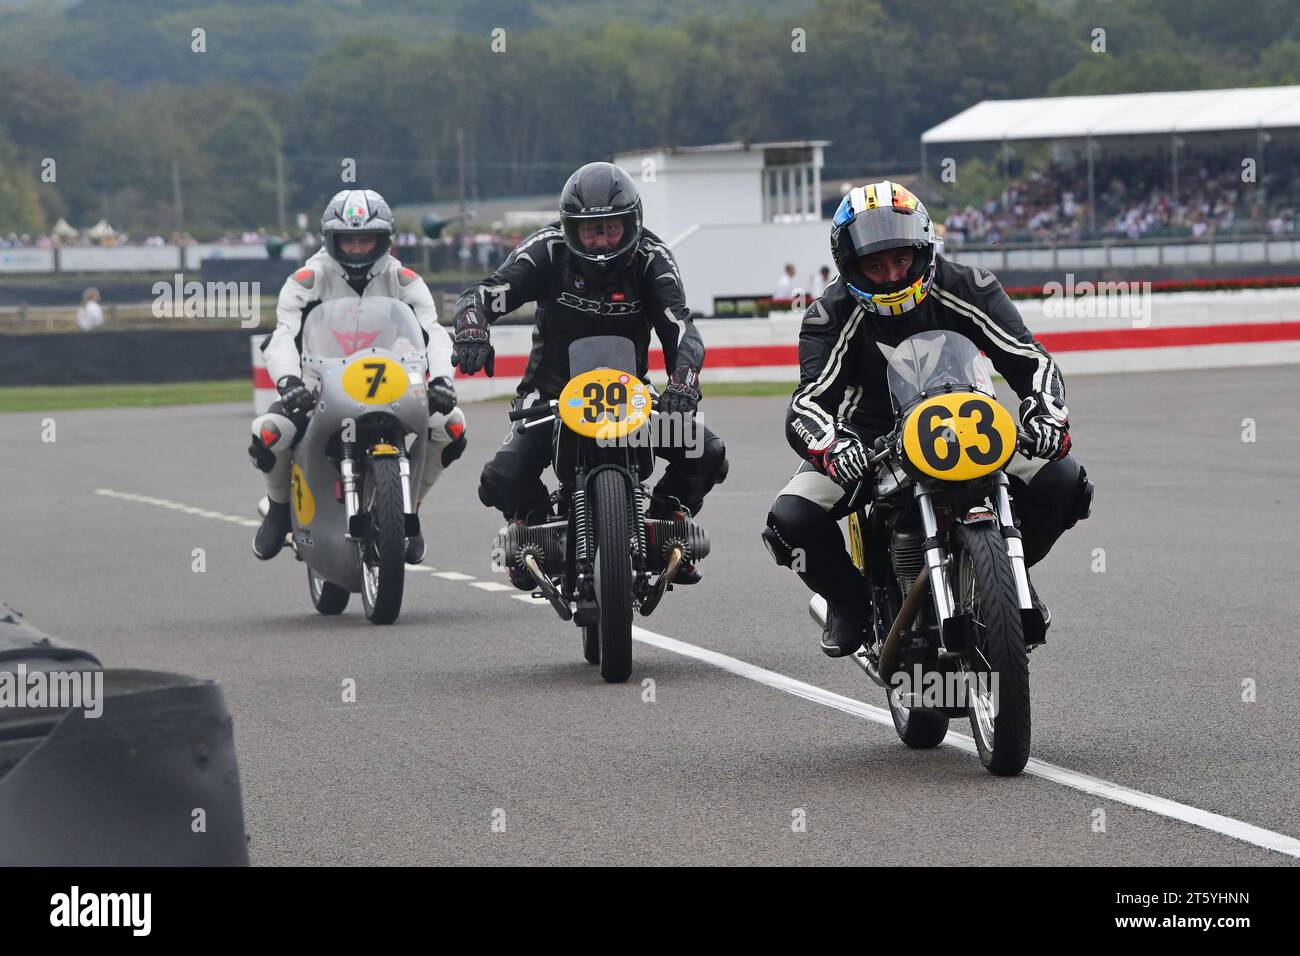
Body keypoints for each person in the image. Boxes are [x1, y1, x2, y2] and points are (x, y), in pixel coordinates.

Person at [762, 180, 1093, 657]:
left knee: (1067, 482)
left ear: (923, 251)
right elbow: (807, 402)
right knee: (790, 517)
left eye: (901, 259)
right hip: (871, 442)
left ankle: (1004, 575)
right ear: (850, 267)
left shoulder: (971, 287)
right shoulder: (828, 316)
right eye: (875, 266)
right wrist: (833, 446)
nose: (892, 275)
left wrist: (1045, 412)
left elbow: (1030, 359)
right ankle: (849, 602)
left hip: (970, 421)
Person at [451, 161, 728, 587]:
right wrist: (473, 325)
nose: (601, 241)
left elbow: (681, 327)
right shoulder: (545, 251)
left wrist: (683, 380)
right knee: (499, 480)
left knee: (707, 451)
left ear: (631, 223)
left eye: (611, 229)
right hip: (549, 398)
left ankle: (667, 519)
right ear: (571, 230)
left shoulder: (653, 260)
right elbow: (483, 294)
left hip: (631, 399)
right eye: (591, 231)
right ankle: (535, 529)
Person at [249, 188, 467, 564]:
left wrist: (442, 380)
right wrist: (289, 383)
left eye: (366, 239)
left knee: (452, 426)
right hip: (318, 385)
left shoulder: (405, 280)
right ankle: (279, 509)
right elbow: (282, 334)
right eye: (349, 240)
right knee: (267, 433)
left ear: (384, 240)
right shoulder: (306, 279)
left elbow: (434, 331)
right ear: (332, 240)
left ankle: (409, 508)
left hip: (393, 382)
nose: (358, 248)